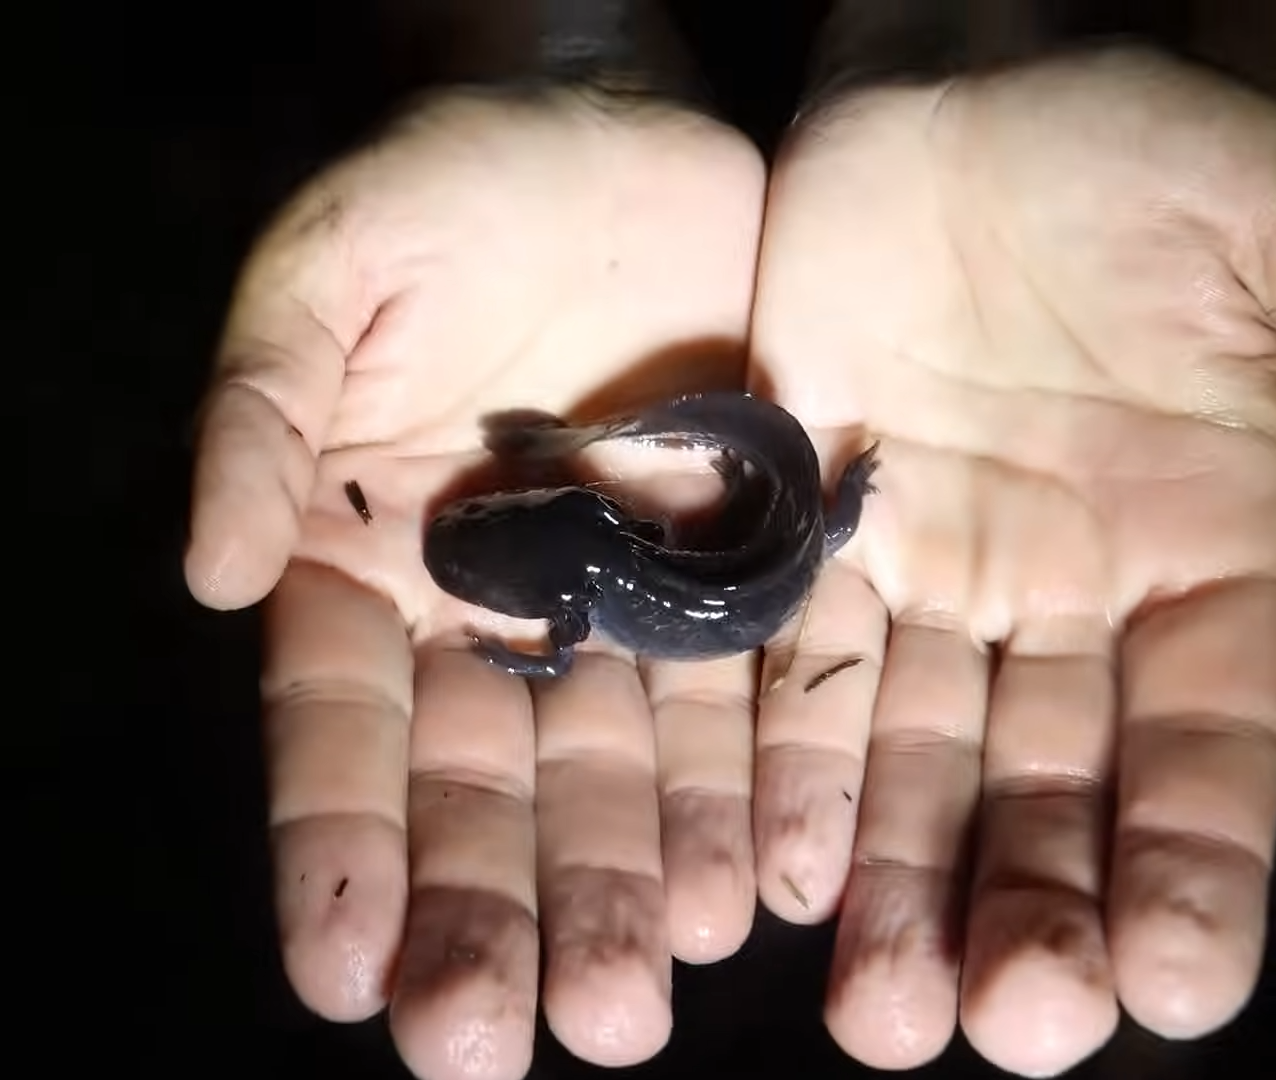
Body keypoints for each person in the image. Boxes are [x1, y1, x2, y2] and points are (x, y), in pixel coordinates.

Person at [182, 1, 1276, 1077]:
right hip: (772, 542)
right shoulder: (594, 528)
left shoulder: (587, 575)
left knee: (806, 533)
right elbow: (581, 599)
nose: (475, 517)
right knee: (804, 534)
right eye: (484, 522)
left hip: (777, 542)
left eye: (481, 522)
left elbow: (561, 647)